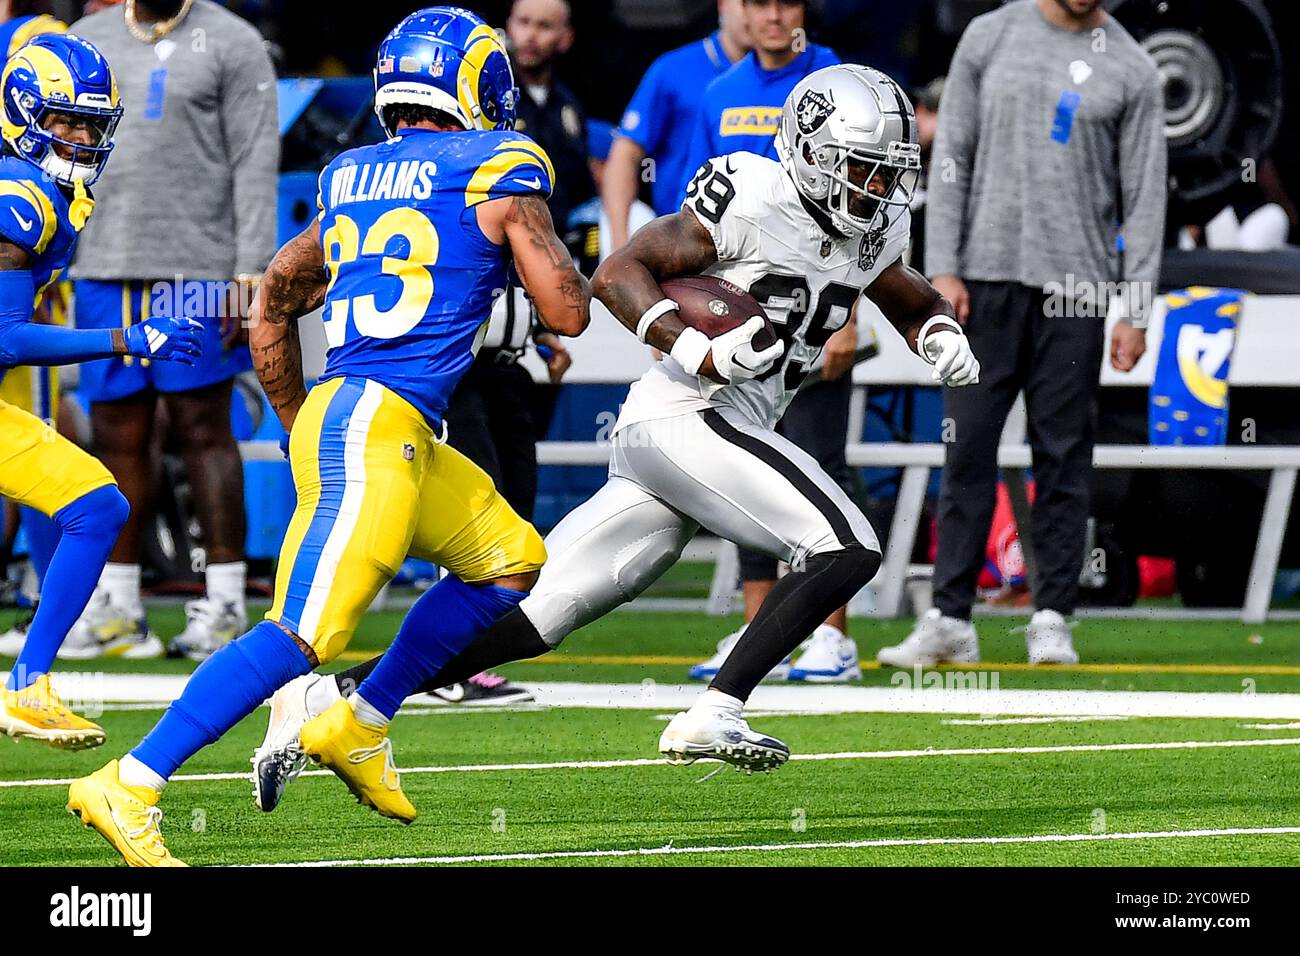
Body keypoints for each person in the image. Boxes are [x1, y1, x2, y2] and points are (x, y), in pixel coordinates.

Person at [254, 65, 979, 807]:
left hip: (704, 435)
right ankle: (716, 709)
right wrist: (696, 346)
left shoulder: (874, 222)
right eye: (860, 168)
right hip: (688, 410)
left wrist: (938, 329)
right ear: (809, 151)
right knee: (845, 544)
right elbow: (618, 272)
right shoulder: (753, 194)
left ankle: (338, 699)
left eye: (887, 173)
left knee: (536, 616)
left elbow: (901, 289)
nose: (874, 188)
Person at [67, 6, 590, 866]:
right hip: (379, 422)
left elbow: (274, 291)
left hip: (377, 421)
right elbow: (566, 308)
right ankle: (130, 780)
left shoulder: (350, 174)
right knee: (301, 635)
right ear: (476, 83)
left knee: (509, 561)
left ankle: (362, 722)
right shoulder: (499, 164)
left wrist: (295, 415)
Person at [877, 0, 1166, 668]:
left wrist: (1138, 308)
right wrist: (942, 268)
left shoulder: (1134, 67)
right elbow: (950, 158)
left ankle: (1052, 616)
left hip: (1080, 287)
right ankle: (950, 617)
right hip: (982, 280)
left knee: (1064, 455)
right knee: (967, 451)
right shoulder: (989, 34)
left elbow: (1146, 198)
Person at [0, 34, 201, 749]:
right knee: (95, 502)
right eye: (66, 123)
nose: (82, 139)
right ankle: (26, 682)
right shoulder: (18, 195)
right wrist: (128, 337)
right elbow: (8, 338)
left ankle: (27, 684)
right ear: (25, 116)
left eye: (92, 126)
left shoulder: (42, 191)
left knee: (95, 503)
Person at [63, 0, 280, 661]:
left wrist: (250, 274)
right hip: (102, 266)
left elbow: (254, 157)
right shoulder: (86, 38)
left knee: (203, 429)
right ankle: (119, 606)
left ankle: (223, 603)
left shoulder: (234, 40)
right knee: (115, 433)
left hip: (199, 271)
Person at [680, 0, 861, 683]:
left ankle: (833, 639)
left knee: (821, 463)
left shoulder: (836, 78)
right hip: (737, 303)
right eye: (758, 1)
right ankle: (765, 630)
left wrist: (849, 316)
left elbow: (867, 209)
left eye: (786, 0)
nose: (773, 14)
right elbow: (695, 204)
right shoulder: (720, 93)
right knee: (744, 468)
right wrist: (679, 313)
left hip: (817, 297)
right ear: (737, 10)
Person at [602, 0, 750, 246]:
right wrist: (620, 243)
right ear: (723, 5)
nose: (766, 14)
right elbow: (625, 154)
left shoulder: (804, 72)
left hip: (768, 243)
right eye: (750, 3)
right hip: (682, 242)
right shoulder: (673, 69)